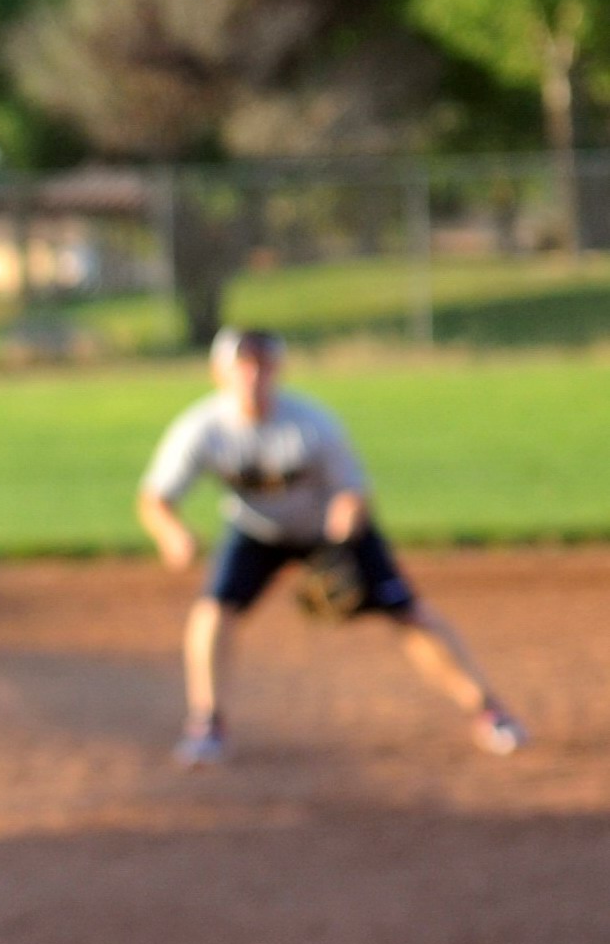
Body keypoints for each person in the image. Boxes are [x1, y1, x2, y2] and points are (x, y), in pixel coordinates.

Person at [135, 326, 527, 767]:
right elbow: (155, 499)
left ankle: (489, 710)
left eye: (262, 364)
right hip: (256, 532)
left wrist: (341, 534)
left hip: (330, 533)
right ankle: (206, 723)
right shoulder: (201, 428)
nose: (253, 375)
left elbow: (353, 492)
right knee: (212, 612)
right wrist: (172, 533)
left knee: (409, 612)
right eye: (242, 365)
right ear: (219, 373)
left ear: (277, 370)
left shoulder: (312, 422)